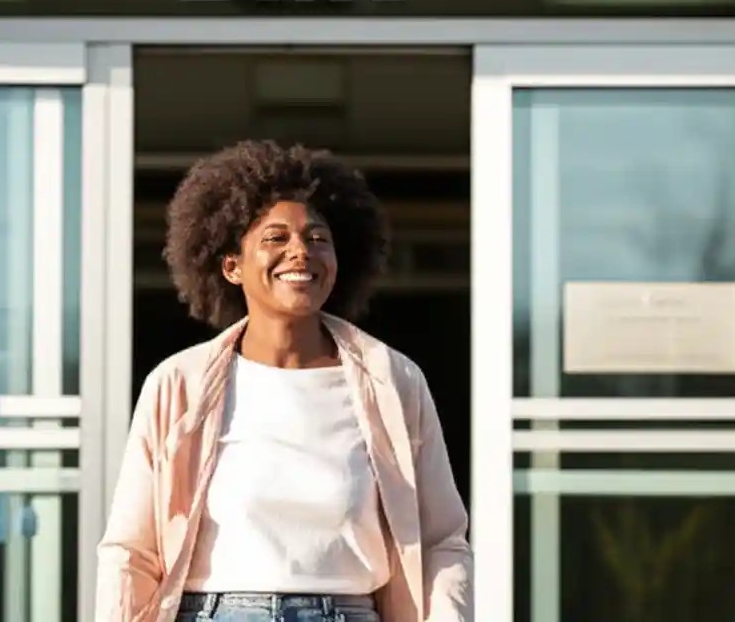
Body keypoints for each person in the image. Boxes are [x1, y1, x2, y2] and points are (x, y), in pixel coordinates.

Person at [94, 140, 472, 622]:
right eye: (276, 238)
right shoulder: (178, 386)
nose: (300, 251)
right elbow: (132, 551)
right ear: (231, 266)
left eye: (318, 238)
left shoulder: (392, 380)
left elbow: (442, 540)